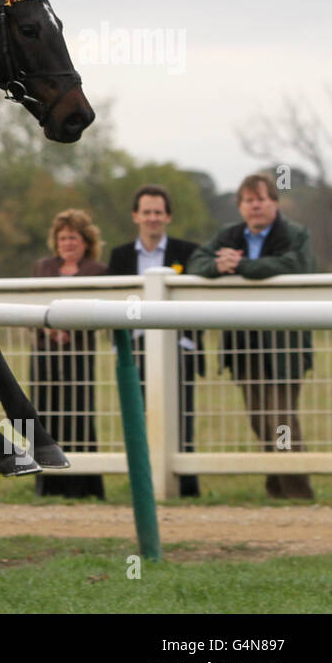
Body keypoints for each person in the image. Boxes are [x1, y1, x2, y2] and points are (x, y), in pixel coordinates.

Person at [187, 173, 316, 499]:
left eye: (262, 199)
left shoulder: (295, 235)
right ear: (240, 206)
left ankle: (298, 492)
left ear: (274, 202)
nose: (255, 205)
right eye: (249, 200)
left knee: (281, 421)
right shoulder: (228, 235)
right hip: (245, 346)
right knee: (260, 421)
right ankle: (276, 489)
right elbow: (196, 263)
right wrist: (218, 265)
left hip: (284, 346)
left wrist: (240, 265)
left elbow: (296, 265)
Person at [106, 185, 204, 497]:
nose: (152, 218)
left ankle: (186, 487)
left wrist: (188, 343)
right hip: (135, 351)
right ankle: (144, 487)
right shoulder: (120, 256)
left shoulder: (188, 252)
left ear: (168, 216)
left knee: (182, 417)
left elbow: (198, 300)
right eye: (146, 212)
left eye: (158, 212)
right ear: (136, 216)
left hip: (177, 350)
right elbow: (111, 301)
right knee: (138, 418)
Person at [31, 209, 108, 498]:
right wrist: (49, 330)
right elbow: (31, 306)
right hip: (44, 353)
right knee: (45, 412)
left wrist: (71, 331)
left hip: (78, 354)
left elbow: (100, 311)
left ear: (86, 241)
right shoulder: (42, 267)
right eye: (62, 238)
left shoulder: (97, 271)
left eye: (73, 238)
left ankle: (81, 486)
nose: (68, 243)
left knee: (78, 413)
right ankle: (48, 484)